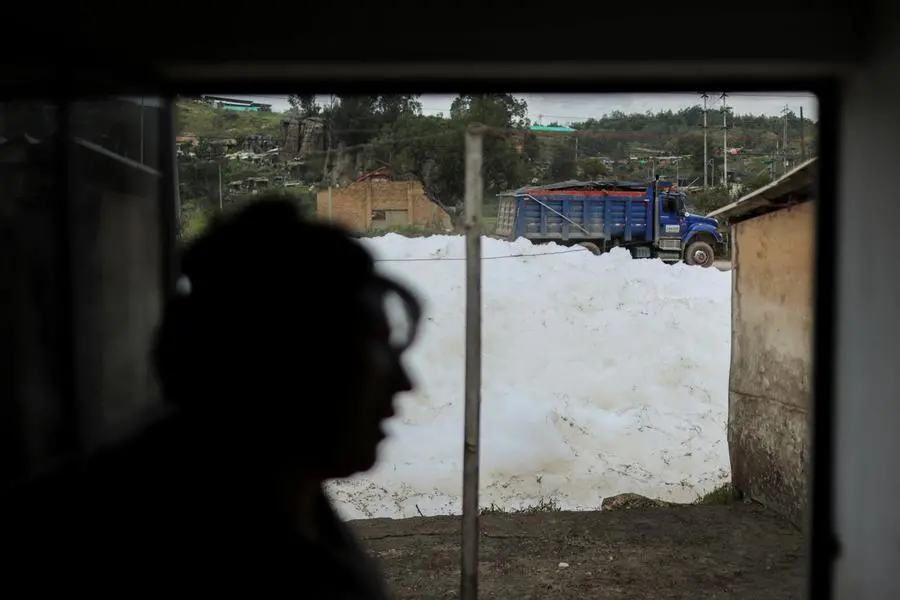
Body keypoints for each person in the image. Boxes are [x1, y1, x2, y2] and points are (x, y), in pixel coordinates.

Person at [1, 197, 422, 597]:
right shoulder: (95, 547)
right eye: (372, 356)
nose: (403, 383)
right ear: (280, 372)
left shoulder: (290, 508)